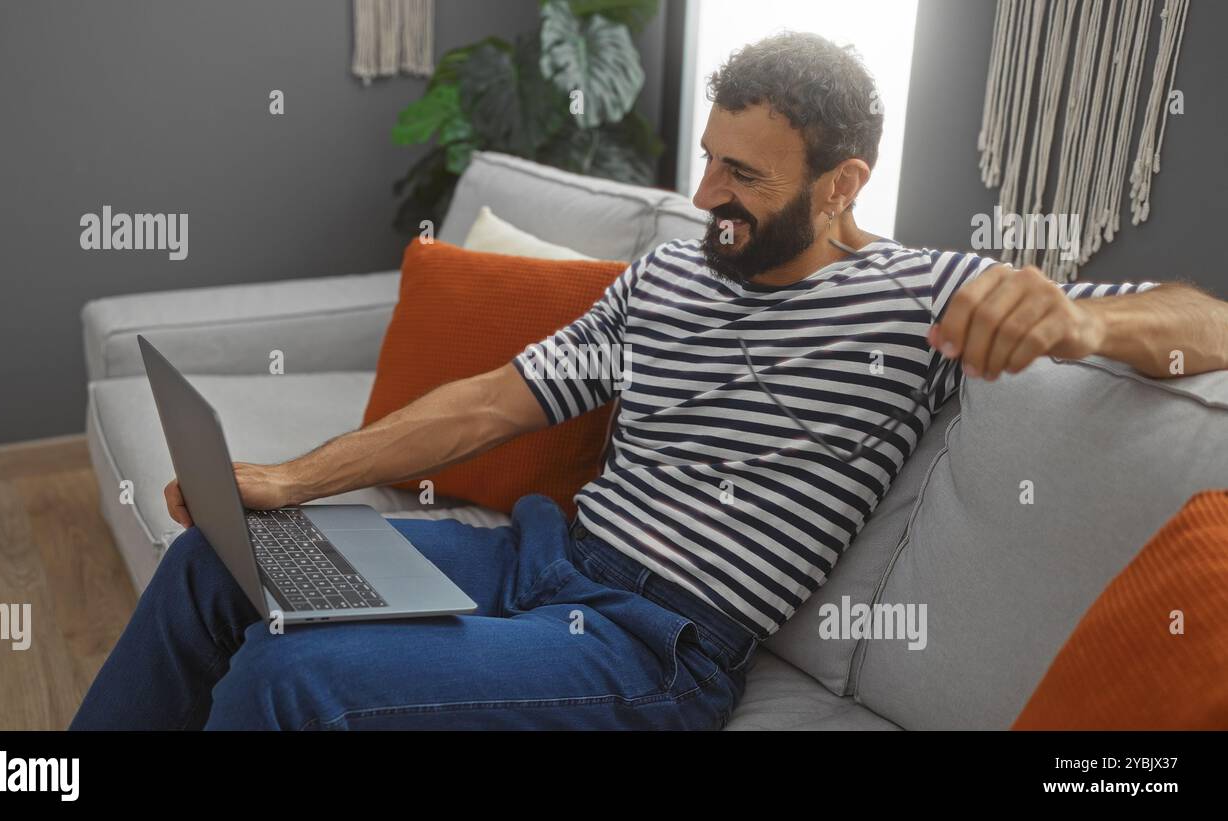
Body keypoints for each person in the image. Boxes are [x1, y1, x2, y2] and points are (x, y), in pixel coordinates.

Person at [71, 32, 1228, 730]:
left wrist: (1073, 315)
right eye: (707, 160)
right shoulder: (668, 277)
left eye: (743, 174)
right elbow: (488, 400)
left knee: (295, 677)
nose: (708, 195)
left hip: (650, 643)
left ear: (841, 185)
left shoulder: (924, 291)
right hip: (533, 557)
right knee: (217, 560)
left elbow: (1202, 325)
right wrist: (287, 476)